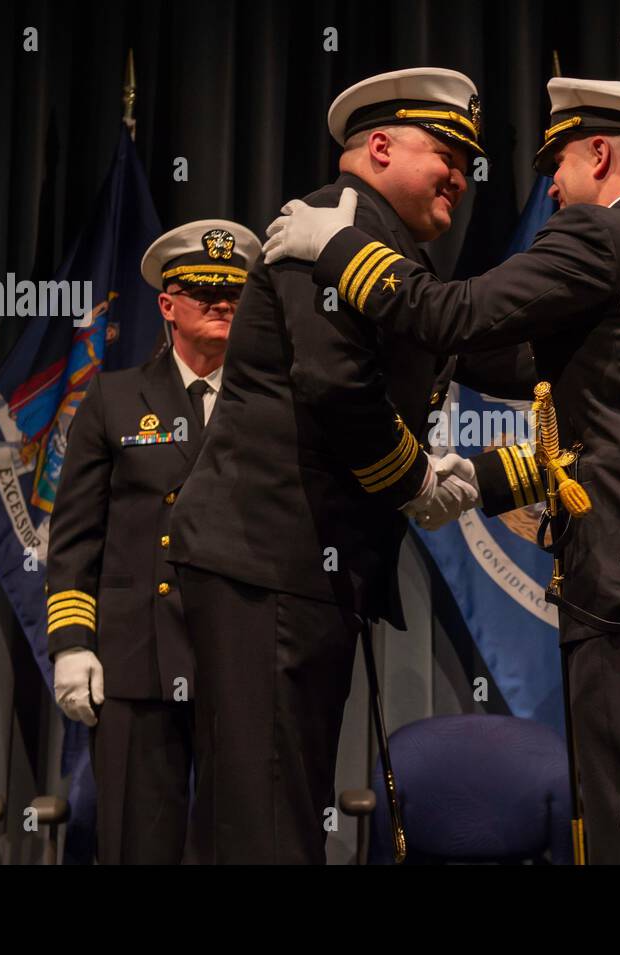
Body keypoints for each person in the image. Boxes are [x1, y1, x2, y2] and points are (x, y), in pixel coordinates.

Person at [264, 77, 620, 864]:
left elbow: (455, 313)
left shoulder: (599, 238)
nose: (552, 187)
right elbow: (580, 387)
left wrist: (335, 249)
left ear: (600, 154)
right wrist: (473, 472)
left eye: (561, 165)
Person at [167, 68, 534, 863]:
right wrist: (416, 485)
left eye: (468, 163)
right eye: (447, 154)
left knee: (266, 800)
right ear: (378, 146)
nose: (462, 179)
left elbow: (462, 338)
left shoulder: (390, 250)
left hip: (299, 568)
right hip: (266, 560)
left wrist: (588, 365)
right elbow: (335, 383)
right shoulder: (334, 224)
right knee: (266, 813)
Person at [46, 219, 259, 863]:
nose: (223, 304)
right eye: (203, 292)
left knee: (241, 846)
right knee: (138, 844)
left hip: (237, 658)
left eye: (235, 293)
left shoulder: (272, 402)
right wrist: (71, 644)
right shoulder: (113, 400)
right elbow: (76, 536)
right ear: (167, 305)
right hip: (137, 658)